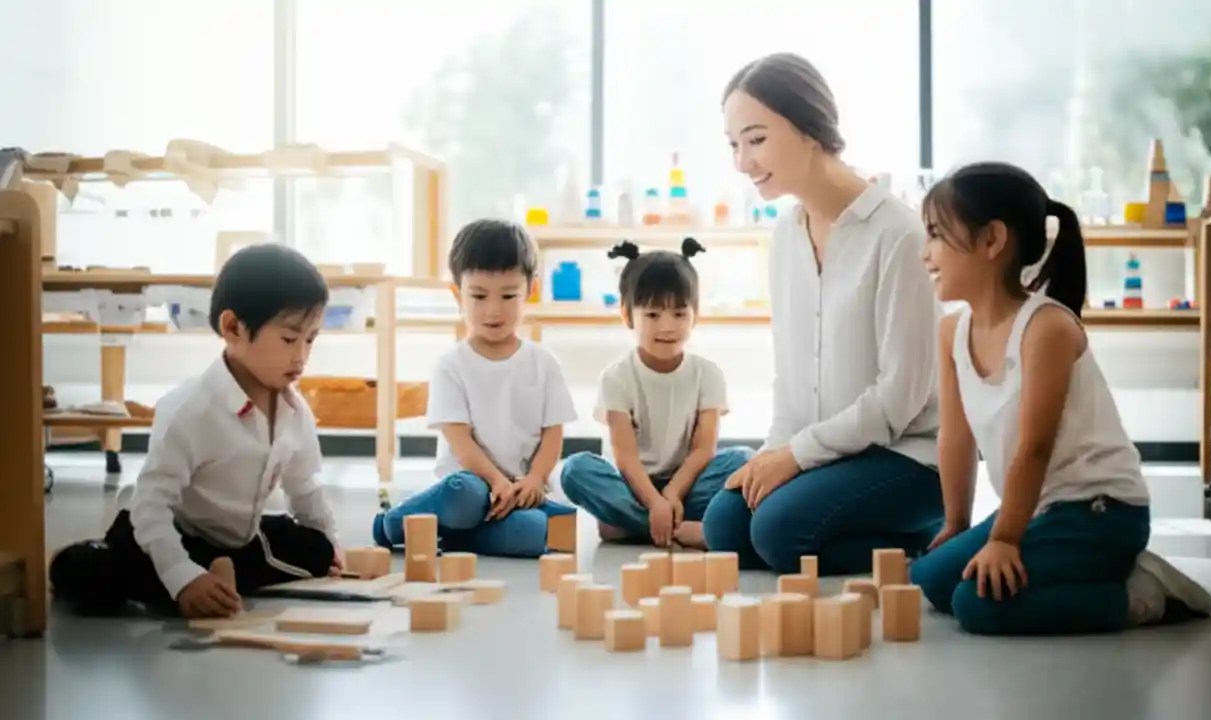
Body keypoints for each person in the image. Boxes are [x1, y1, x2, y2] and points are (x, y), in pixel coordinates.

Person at [907, 161, 1211, 635]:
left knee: (977, 605)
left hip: (1101, 510)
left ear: (992, 240)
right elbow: (955, 439)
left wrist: (1005, 539)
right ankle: (1065, 563)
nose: (925, 253)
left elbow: (1035, 447)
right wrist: (957, 523)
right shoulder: (952, 332)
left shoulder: (1045, 327)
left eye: (935, 235)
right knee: (931, 578)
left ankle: (1143, 592)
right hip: (1041, 507)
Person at [702, 52, 944, 574]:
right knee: (725, 526)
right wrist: (773, 454)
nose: (743, 162)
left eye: (757, 139)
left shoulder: (898, 234)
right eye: (734, 145)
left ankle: (924, 537)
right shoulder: (787, 235)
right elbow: (792, 380)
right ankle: (853, 523)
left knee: (777, 532)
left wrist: (795, 457)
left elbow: (899, 398)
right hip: (829, 456)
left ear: (811, 131)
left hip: (909, 457)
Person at [49, 244, 341, 618]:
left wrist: (331, 543)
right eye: (288, 339)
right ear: (233, 328)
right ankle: (76, 558)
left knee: (317, 552)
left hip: (236, 538)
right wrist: (182, 575)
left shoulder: (294, 410)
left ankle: (218, 577)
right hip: (164, 531)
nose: (301, 356)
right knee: (96, 578)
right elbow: (151, 504)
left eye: (311, 339)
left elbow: (305, 488)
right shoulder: (191, 408)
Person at [371, 219, 577, 557]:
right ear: (457, 294)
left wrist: (536, 480)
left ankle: (453, 536)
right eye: (479, 296)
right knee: (464, 495)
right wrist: (496, 481)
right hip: (473, 483)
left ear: (532, 290)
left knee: (550, 531)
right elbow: (462, 444)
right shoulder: (452, 365)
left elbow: (553, 433)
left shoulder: (544, 363)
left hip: (518, 492)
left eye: (509, 295)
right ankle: (393, 524)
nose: (493, 310)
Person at [560, 239, 752, 549]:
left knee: (742, 459)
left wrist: (672, 495)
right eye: (652, 315)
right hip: (634, 485)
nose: (667, 326)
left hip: (687, 485)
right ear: (627, 314)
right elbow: (625, 457)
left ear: (695, 315)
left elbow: (704, 450)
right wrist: (654, 502)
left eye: (679, 314)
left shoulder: (708, 373)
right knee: (576, 470)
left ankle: (633, 525)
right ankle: (677, 527)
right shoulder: (617, 377)